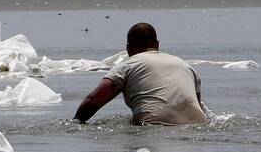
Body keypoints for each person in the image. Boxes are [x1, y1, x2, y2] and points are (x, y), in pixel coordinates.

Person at [74, 23, 209, 125]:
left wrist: (75, 124)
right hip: (198, 124)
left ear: (128, 48)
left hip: (152, 124)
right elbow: (197, 105)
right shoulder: (186, 66)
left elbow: (93, 100)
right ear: (157, 44)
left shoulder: (127, 66)